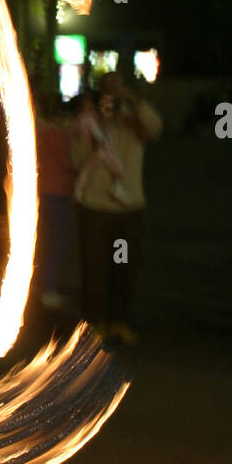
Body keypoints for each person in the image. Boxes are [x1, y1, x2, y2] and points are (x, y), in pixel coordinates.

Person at [70, 72, 163, 344]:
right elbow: (76, 160)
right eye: (106, 92)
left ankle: (119, 320)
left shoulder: (134, 126)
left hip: (127, 211)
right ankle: (94, 322)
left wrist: (131, 99)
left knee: (124, 265)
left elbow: (156, 126)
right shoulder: (89, 125)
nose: (111, 97)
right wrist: (89, 131)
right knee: (95, 266)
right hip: (95, 209)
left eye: (117, 88)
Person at [33, 87, 76, 310]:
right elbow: (69, 162)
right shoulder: (59, 135)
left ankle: (38, 287)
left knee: (41, 243)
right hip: (57, 193)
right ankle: (48, 289)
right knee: (55, 244)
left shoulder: (35, 130)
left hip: (39, 191)